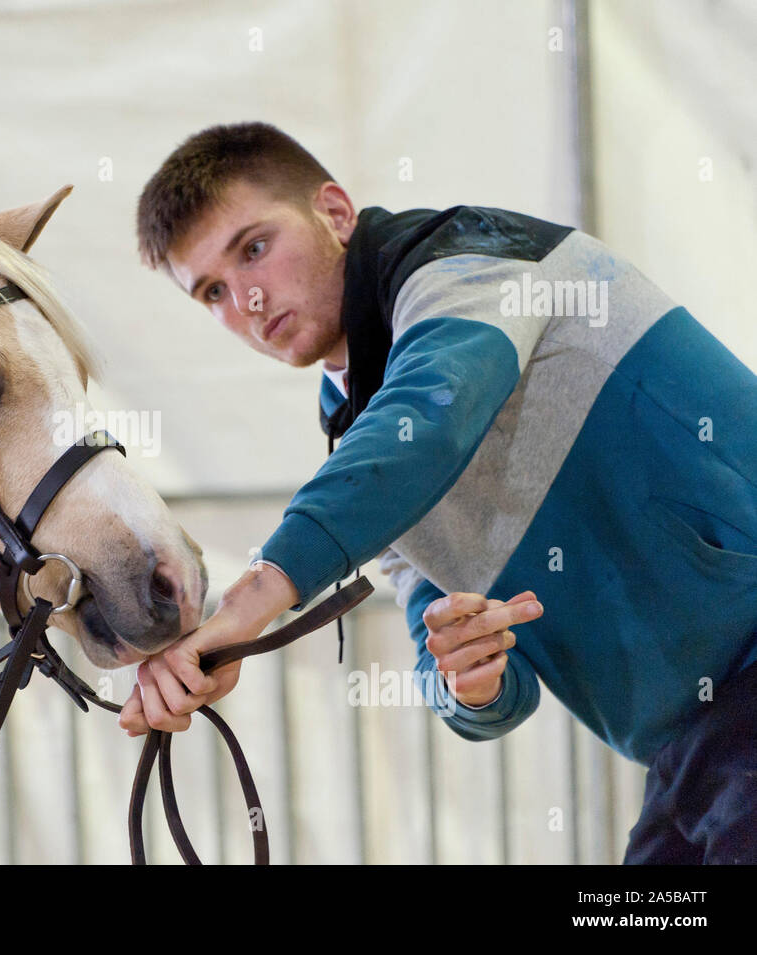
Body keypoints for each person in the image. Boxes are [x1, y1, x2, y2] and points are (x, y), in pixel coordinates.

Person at [118, 121, 757, 863]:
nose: (248, 301)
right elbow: (460, 662)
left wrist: (250, 603)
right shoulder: (359, 437)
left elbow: (430, 415)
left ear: (333, 210)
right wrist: (472, 679)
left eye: (254, 248)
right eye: (213, 293)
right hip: (693, 750)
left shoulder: (472, 257)